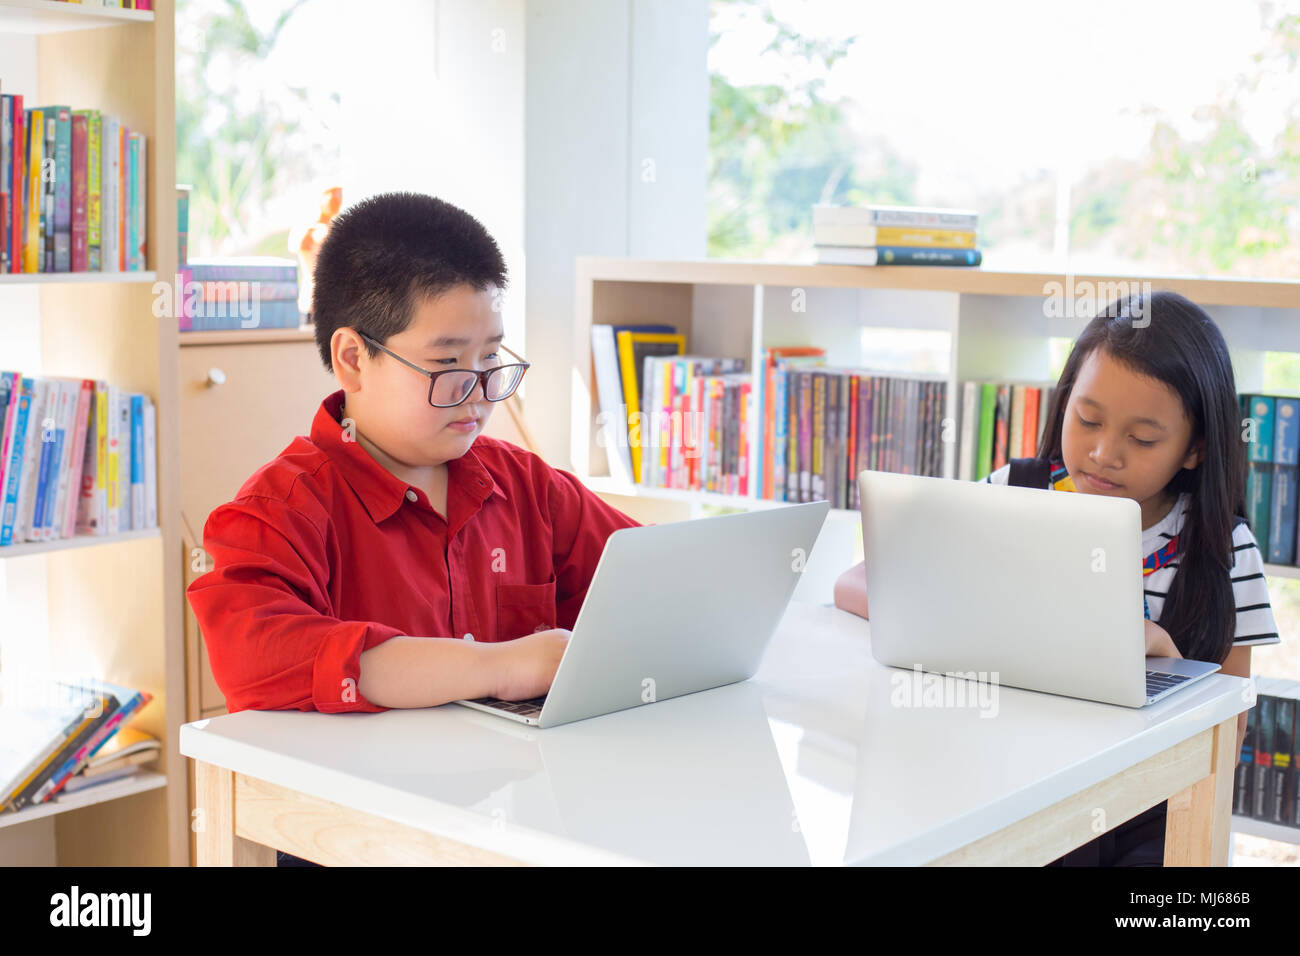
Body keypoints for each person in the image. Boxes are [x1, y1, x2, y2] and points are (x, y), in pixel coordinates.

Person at [834, 290, 1280, 866]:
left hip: (1146, 812)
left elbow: (1228, 734)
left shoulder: (1222, 552)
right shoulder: (1012, 496)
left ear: (1194, 448)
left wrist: (1170, 669)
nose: (1102, 453)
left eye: (1142, 439)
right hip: (1012, 780)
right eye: (1087, 419)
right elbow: (857, 583)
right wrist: (970, 615)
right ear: (1064, 402)